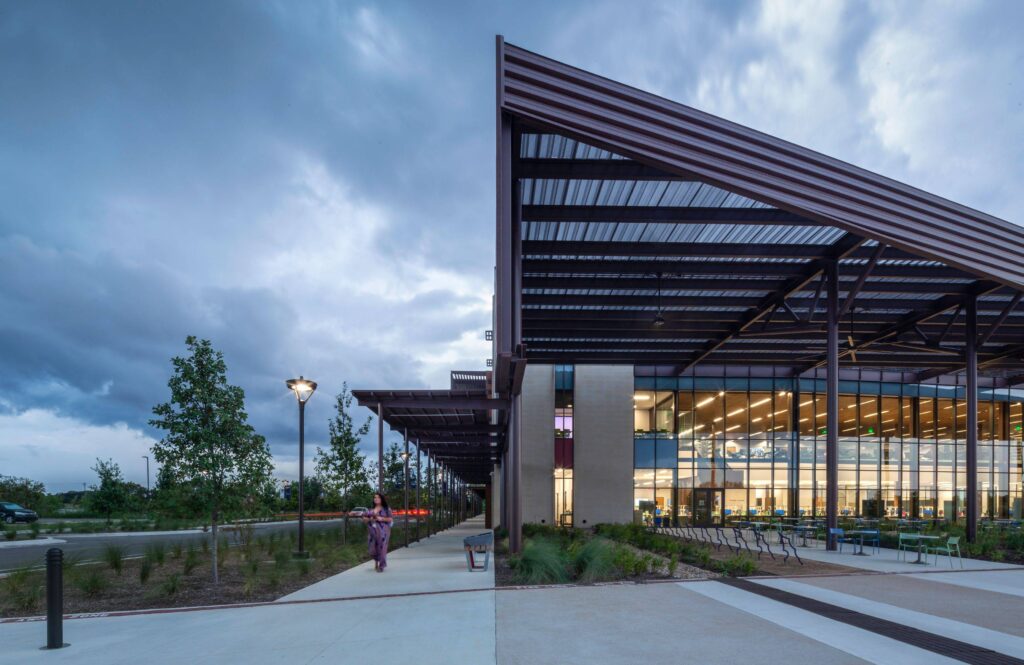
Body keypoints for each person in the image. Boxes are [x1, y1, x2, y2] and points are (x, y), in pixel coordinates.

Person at [361, 492, 393, 572]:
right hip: (372, 531)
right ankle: (376, 562)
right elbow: (365, 519)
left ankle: (381, 566)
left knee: (382, 547)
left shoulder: (386, 509)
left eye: (378, 497)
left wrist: (381, 518)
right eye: (375, 497)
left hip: (383, 531)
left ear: (381, 499)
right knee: (373, 549)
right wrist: (367, 519)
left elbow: (390, 519)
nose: (376, 499)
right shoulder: (370, 510)